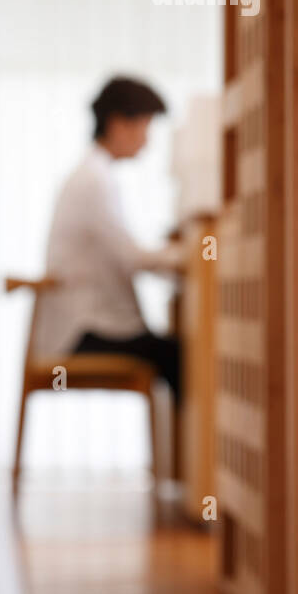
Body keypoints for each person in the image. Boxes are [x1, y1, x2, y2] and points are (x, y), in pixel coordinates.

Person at [34, 76, 184, 401]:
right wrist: (184, 256)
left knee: (170, 350)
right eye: (145, 128)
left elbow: (129, 256)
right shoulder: (94, 181)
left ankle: (190, 453)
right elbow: (132, 257)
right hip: (80, 334)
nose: (146, 142)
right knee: (178, 356)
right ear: (118, 124)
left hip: (81, 327)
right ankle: (200, 454)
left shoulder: (93, 174)